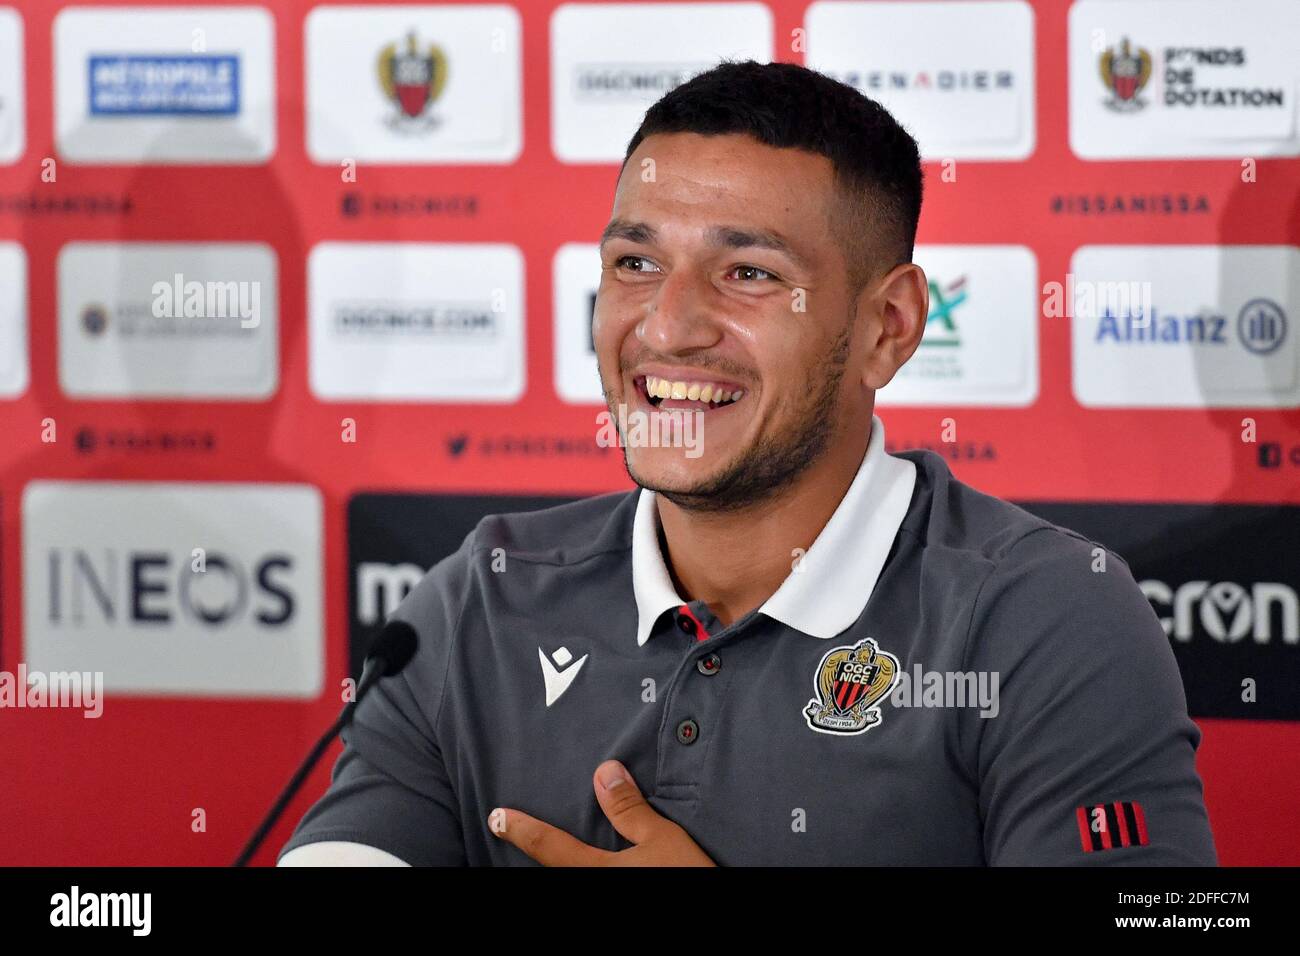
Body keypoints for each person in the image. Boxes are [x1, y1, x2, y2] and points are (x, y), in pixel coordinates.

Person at [278, 60, 1216, 866]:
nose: (669, 326)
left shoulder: (1047, 619)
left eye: (750, 274)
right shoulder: (476, 599)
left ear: (886, 329)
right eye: (635, 265)